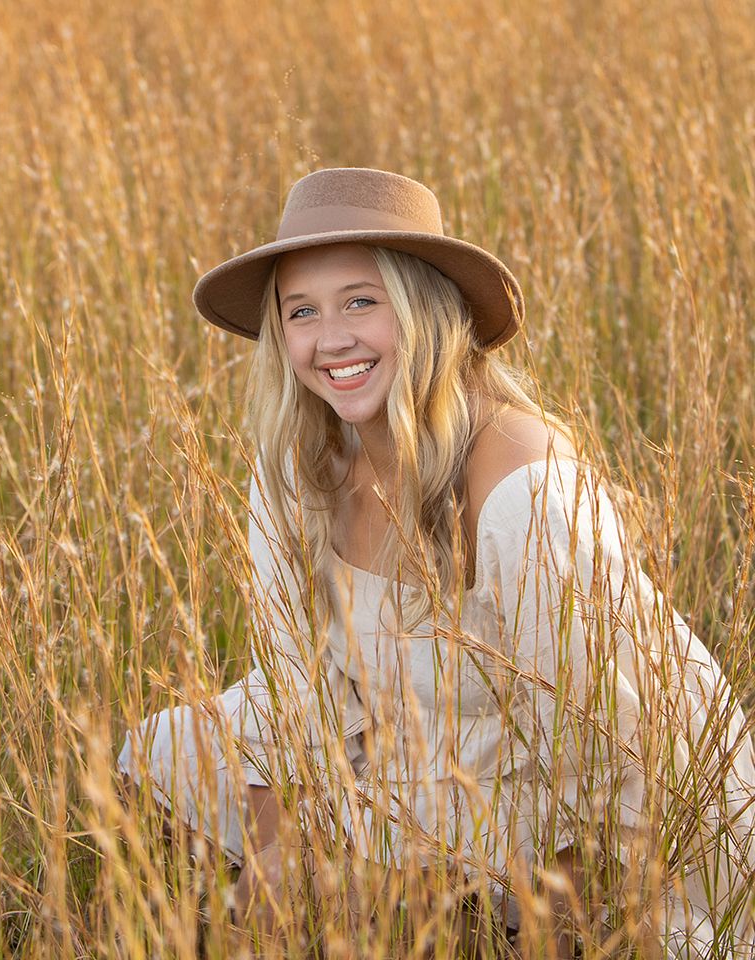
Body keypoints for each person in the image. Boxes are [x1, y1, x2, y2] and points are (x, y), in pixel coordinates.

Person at [115, 168, 755, 958]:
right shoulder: (294, 460)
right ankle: (412, 889)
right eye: (302, 312)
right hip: (394, 734)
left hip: (548, 777)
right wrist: (294, 842)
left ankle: (471, 904)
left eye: (360, 301)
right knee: (163, 757)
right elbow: (295, 677)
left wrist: (559, 895)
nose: (332, 338)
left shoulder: (517, 476)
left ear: (422, 310)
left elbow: (602, 734)